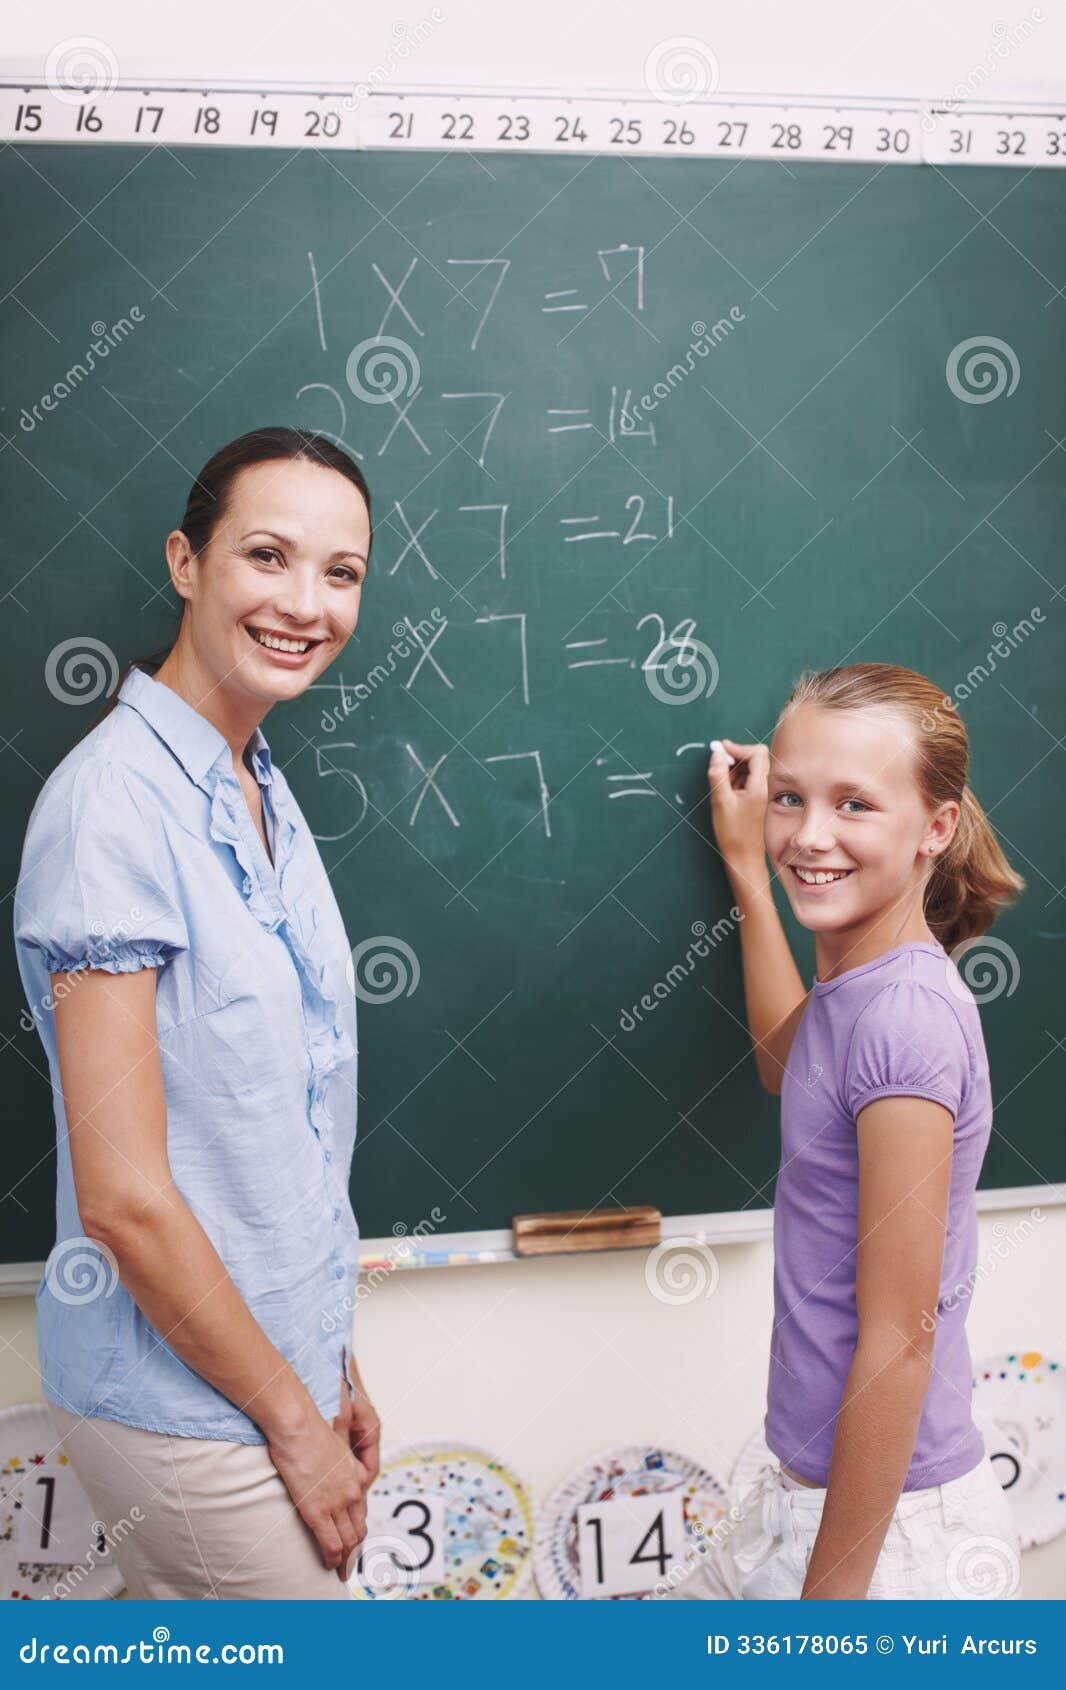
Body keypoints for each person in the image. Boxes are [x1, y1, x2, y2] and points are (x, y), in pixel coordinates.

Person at [14, 427, 379, 1600]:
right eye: (266, 556)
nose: (305, 603)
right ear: (186, 561)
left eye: (342, 573)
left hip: (268, 1372)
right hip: (182, 1401)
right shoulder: (111, 810)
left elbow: (274, 1136)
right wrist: (294, 1420)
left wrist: (332, 1364)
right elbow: (125, 1195)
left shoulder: (255, 782)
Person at [661, 663, 1026, 1601]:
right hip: (812, 1495)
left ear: (934, 829)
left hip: (891, 1539)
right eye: (792, 797)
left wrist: (831, 1616)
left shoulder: (905, 1019)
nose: (809, 836)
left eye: (854, 804)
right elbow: (791, 1065)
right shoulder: (859, 988)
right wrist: (748, 863)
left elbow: (901, 1337)